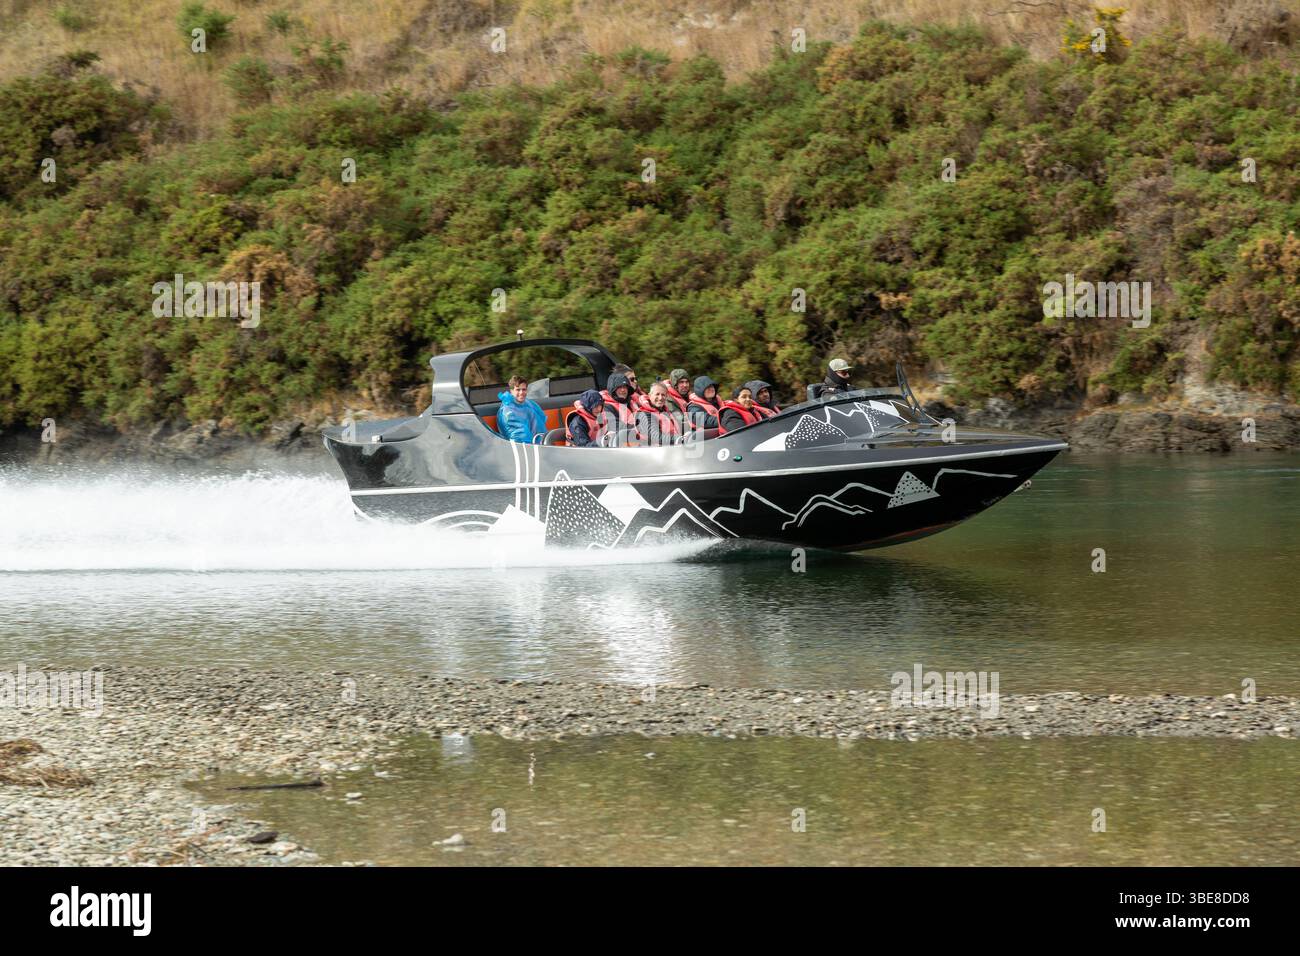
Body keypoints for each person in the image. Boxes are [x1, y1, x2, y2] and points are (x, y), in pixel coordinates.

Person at [497, 375, 547, 444]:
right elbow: (519, 438)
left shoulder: (530, 404)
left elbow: (540, 427)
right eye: (518, 390)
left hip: (540, 446)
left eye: (524, 389)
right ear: (511, 391)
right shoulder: (508, 411)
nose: (521, 393)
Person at [635, 382, 684, 446]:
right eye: (657, 394)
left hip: (671, 448)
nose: (660, 398)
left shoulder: (665, 412)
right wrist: (680, 439)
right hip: (653, 452)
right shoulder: (644, 414)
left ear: (666, 397)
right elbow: (655, 436)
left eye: (663, 395)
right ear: (649, 395)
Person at [600, 371, 639, 444]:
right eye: (619, 387)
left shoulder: (631, 403)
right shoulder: (605, 407)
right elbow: (614, 426)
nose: (623, 390)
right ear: (613, 389)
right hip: (616, 445)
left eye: (625, 387)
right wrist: (640, 428)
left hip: (635, 440)